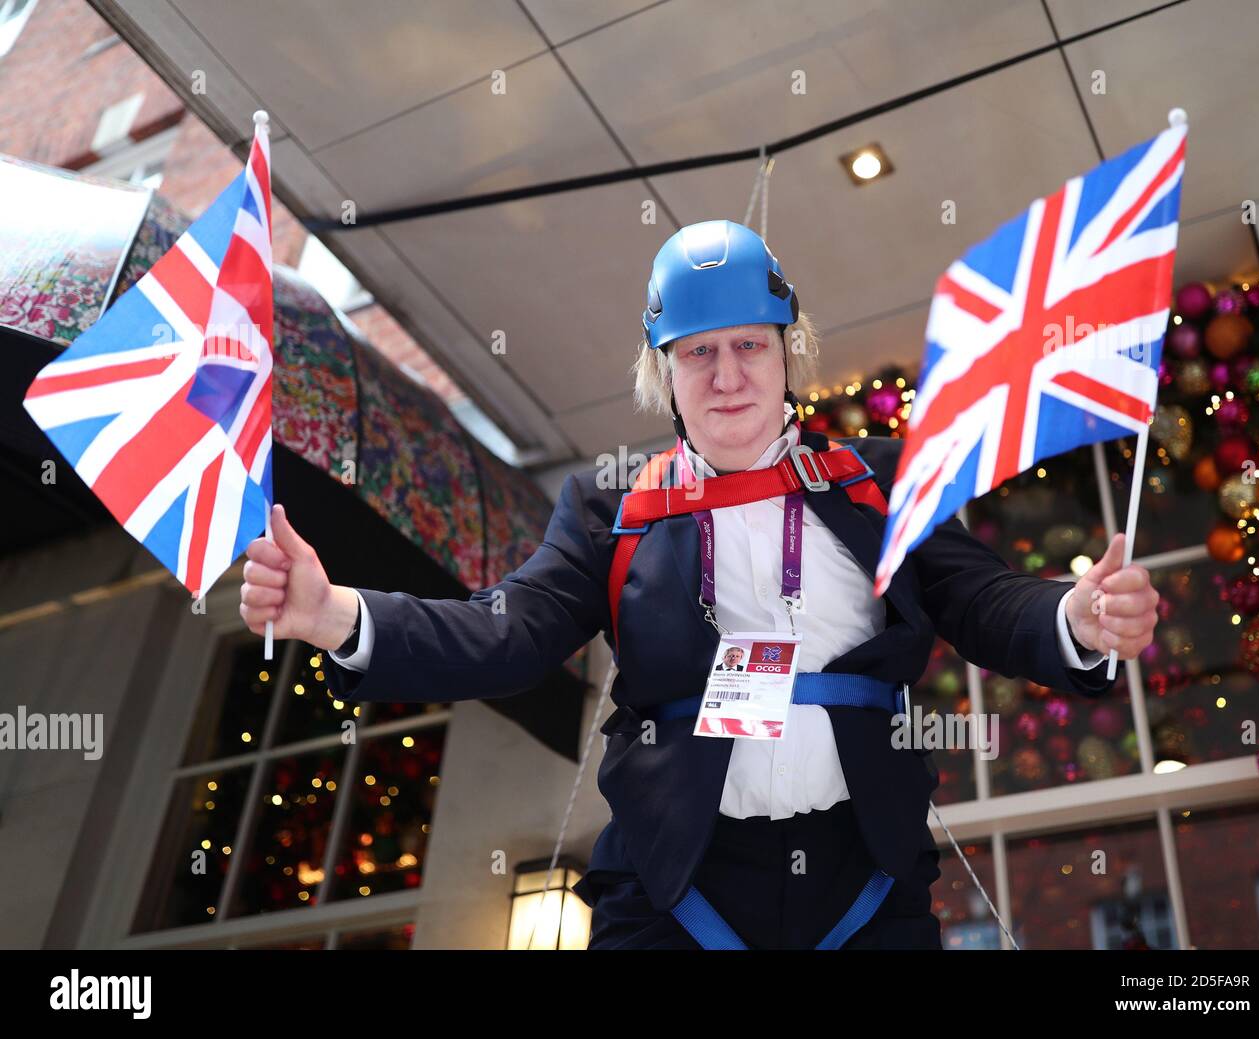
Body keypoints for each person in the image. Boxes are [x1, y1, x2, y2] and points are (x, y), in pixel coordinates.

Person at [239, 219, 1159, 950]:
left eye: (749, 347)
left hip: (867, 881)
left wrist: (1074, 615)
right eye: (697, 352)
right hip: (674, 890)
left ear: (787, 352)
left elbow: (984, 600)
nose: (726, 377)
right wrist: (335, 614)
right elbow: (506, 633)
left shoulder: (883, 477)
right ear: (663, 370)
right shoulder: (611, 506)